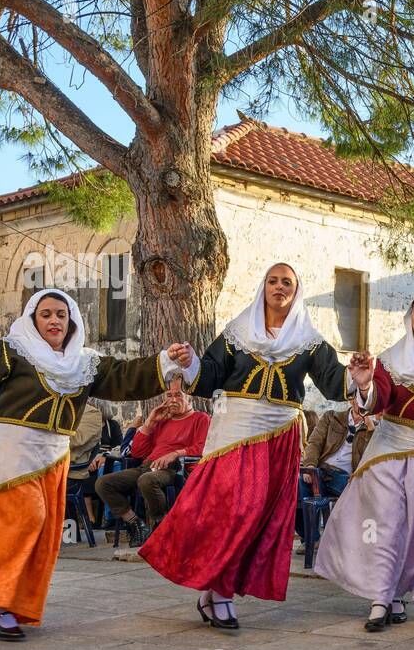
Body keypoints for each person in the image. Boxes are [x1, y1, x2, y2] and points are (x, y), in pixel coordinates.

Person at [0, 290, 194, 640]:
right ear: (33, 319)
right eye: (45, 314)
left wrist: (165, 359)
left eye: (61, 314)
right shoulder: (13, 351)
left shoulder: (85, 362)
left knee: (17, 531)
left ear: (71, 320)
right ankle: (0, 604)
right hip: (11, 451)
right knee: (22, 520)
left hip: (52, 457)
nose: (54, 321)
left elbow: (125, 377)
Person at [140, 263, 380, 630]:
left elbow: (335, 383)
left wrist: (358, 379)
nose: (279, 286)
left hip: (279, 435)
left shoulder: (307, 339)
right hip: (235, 430)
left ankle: (218, 592)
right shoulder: (238, 331)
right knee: (235, 509)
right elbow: (209, 376)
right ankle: (217, 591)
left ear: (296, 291)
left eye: (287, 282)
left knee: (261, 517)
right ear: (263, 287)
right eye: (273, 280)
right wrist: (190, 364)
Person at [315, 289, 414, 632]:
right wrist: (364, 385)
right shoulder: (392, 357)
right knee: (386, 522)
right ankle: (379, 597)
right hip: (391, 447)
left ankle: (396, 594)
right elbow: (379, 398)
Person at [96, 386, 210, 545]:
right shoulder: (162, 421)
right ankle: (136, 524)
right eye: (169, 396)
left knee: (147, 480)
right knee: (104, 483)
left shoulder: (201, 418)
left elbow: (202, 447)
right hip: (148, 466)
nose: (173, 400)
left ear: (189, 398)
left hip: (174, 468)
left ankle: (160, 525)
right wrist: (149, 423)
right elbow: (137, 452)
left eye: (178, 395)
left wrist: (175, 454)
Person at [301, 396, 375, 499]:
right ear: (351, 400)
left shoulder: (374, 429)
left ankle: (325, 510)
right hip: (321, 470)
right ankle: (309, 514)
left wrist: (370, 430)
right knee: (300, 483)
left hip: (345, 477)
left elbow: (372, 459)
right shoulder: (331, 417)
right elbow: (314, 443)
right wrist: (310, 466)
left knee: (356, 494)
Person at [67, 397, 105, 524]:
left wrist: (42, 435)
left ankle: (69, 535)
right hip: (51, 468)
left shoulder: (90, 413)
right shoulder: (55, 410)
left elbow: (76, 440)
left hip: (72, 472)